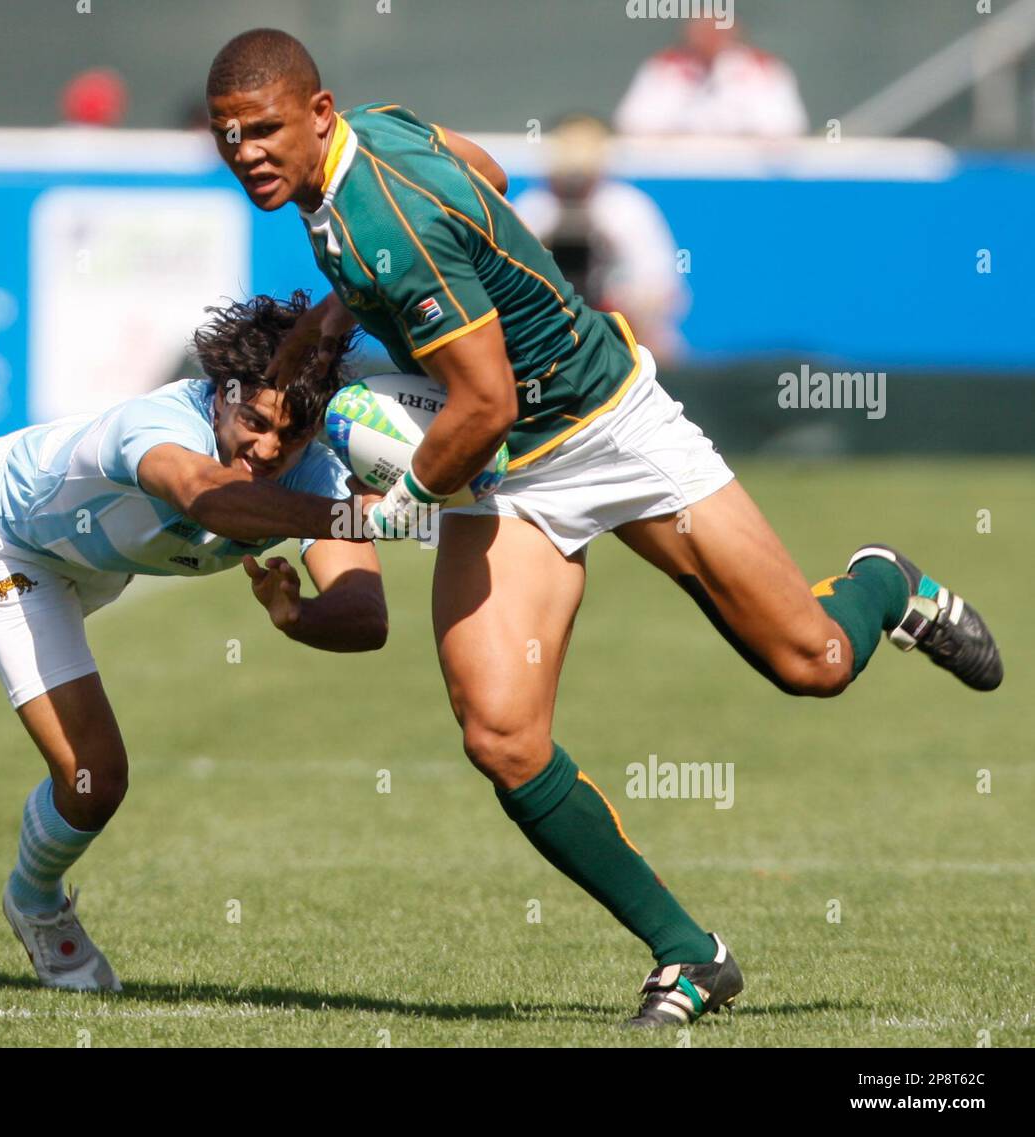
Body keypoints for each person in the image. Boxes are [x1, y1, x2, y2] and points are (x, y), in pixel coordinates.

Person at [203, 28, 1003, 1029]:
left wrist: (402, 503)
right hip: (511, 479)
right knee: (500, 735)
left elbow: (482, 404)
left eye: (264, 130)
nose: (247, 154)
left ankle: (888, 583)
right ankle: (688, 955)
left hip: (607, 426)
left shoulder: (378, 221)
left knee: (815, 662)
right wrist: (320, 339)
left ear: (317, 114)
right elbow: (483, 173)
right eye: (229, 137)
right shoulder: (379, 134)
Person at [0, 293, 387, 992]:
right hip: (6, 534)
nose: (268, 450)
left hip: (99, 562)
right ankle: (35, 902)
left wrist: (300, 619)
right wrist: (361, 513)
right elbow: (207, 498)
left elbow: (365, 615)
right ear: (220, 394)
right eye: (253, 422)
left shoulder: (308, 470)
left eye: (291, 436)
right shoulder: (160, 423)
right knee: (94, 777)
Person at [513, 114, 689, 362]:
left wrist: (616, 302)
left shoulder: (628, 209)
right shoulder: (533, 210)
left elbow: (666, 291)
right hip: (548, 342)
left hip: (627, 342)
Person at [614, 15, 808, 138]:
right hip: (680, 166)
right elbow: (631, 122)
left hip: (746, 170)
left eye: (717, 32)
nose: (710, 39)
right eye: (703, 32)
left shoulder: (763, 69)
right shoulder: (664, 68)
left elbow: (787, 125)